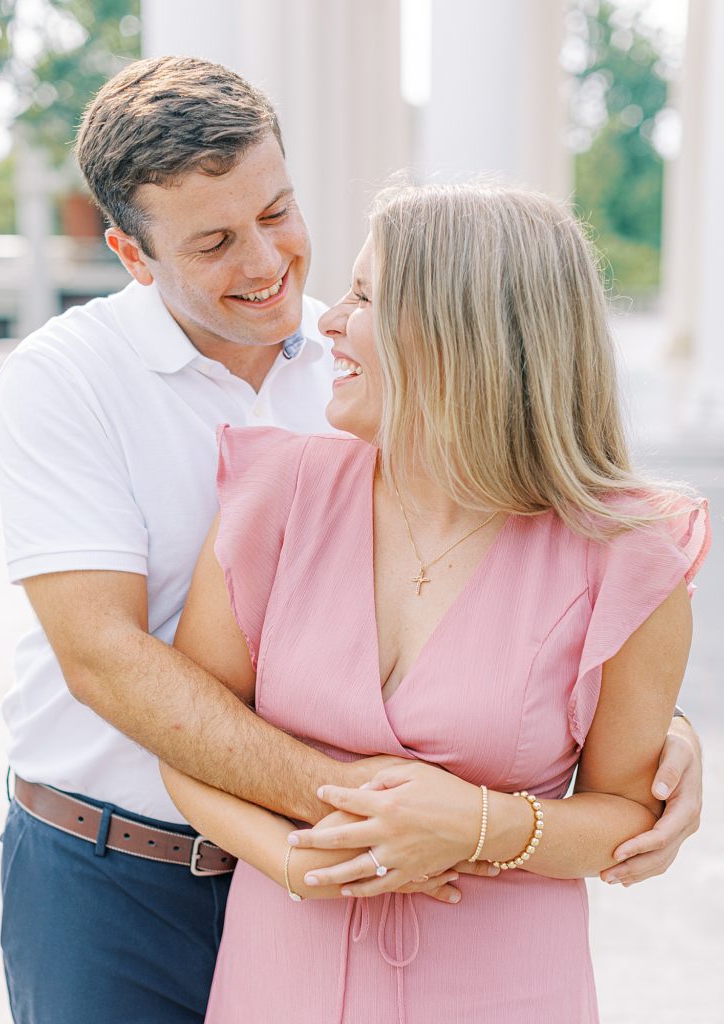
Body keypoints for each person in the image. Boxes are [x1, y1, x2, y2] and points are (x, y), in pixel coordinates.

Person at [0, 56, 702, 1024]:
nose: (270, 263)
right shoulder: (67, 379)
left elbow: (524, 585)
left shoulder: (375, 360)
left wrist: (645, 721)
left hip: (382, 897)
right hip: (119, 865)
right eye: (213, 242)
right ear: (131, 253)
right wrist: (387, 814)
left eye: (278, 212)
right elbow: (107, 660)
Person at [160, 181, 710, 1023]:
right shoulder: (275, 494)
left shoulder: (627, 557)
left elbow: (628, 819)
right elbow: (190, 740)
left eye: (366, 296)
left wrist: (480, 824)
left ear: (463, 335)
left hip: (505, 988)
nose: (329, 320)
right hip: (279, 973)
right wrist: (288, 860)